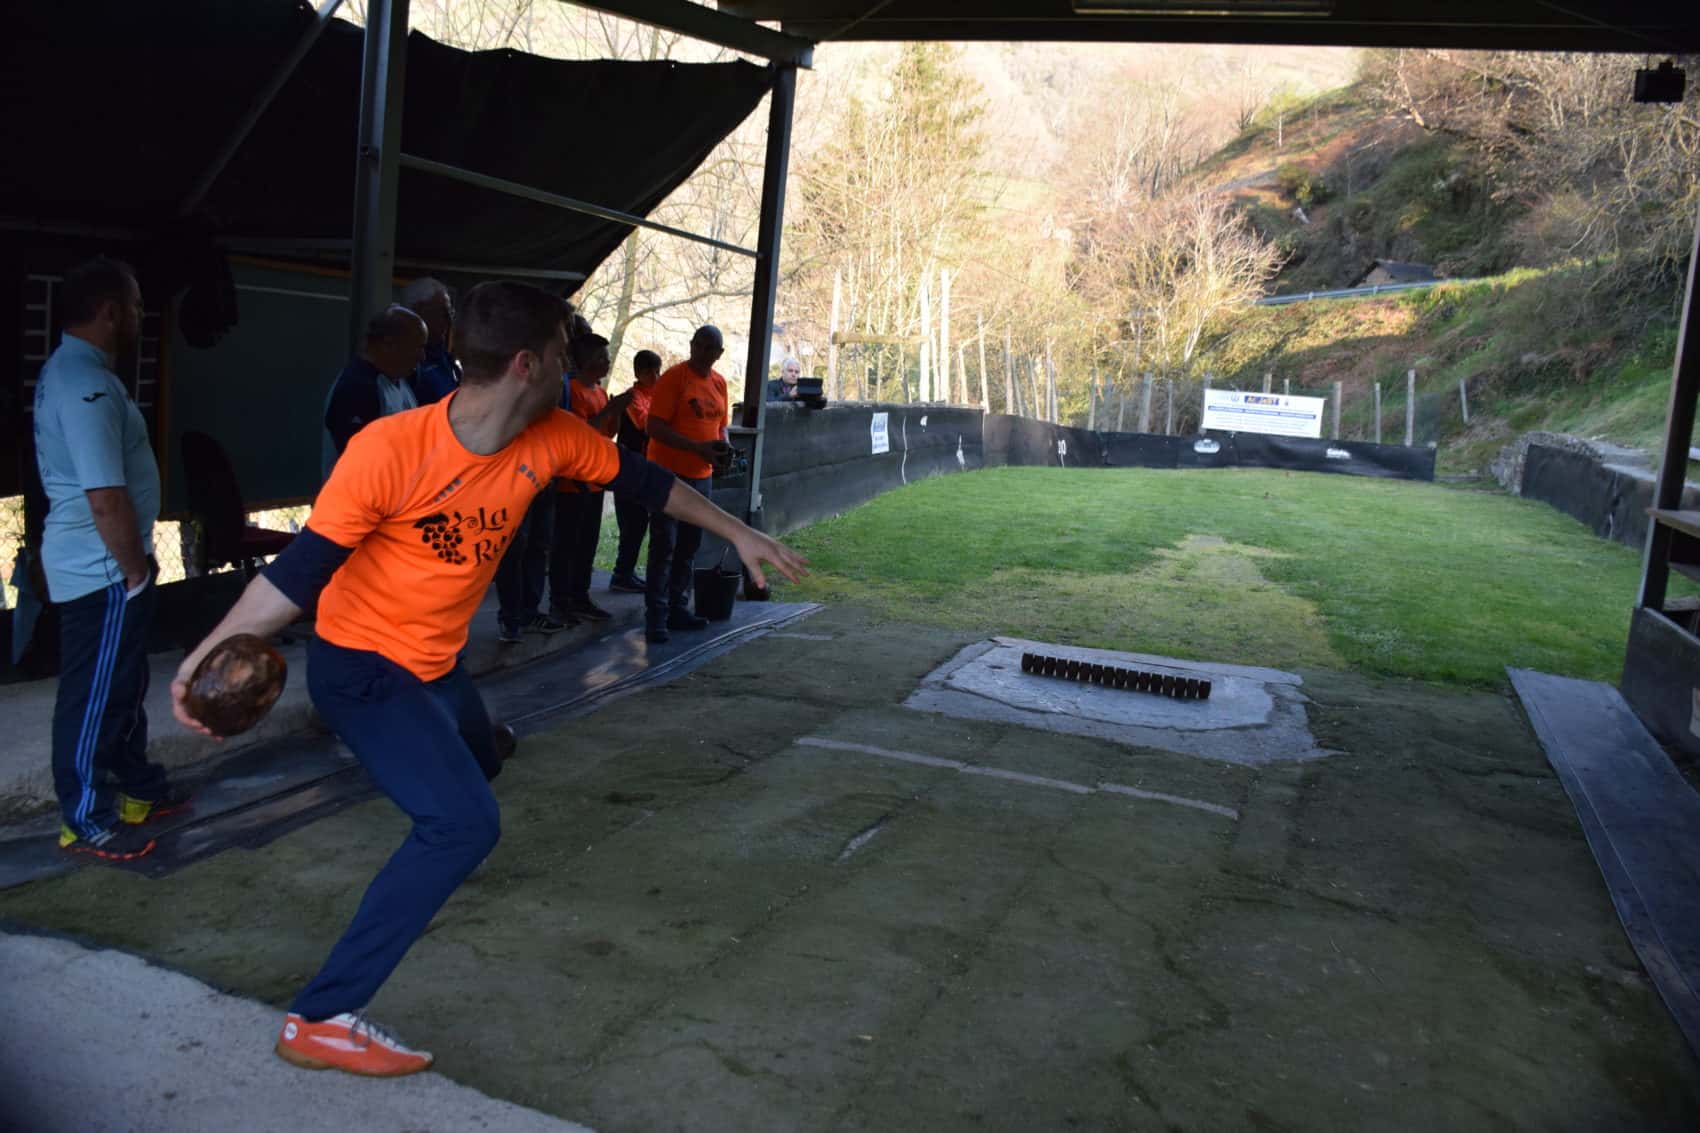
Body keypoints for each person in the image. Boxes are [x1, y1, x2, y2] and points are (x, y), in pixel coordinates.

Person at [171, 281, 806, 1078]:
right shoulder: (391, 449)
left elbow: (650, 485)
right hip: (363, 668)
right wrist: (210, 650)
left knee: (483, 761)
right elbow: (297, 575)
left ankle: (440, 775)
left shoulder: (553, 437)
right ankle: (322, 1014)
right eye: (567, 353)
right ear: (527, 363)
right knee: (464, 825)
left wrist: (739, 531)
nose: (577, 366)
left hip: (438, 668)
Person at [35, 257, 189, 860]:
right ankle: (85, 818)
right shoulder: (85, 385)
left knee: (122, 687)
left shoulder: (85, 371)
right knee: (94, 696)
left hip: (111, 567)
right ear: (109, 312)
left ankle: (138, 791)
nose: (141, 318)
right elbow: (104, 496)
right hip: (102, 570)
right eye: (137, 308)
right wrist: (131, 570)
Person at [645, 325, 733, 644]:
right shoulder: (674, 378)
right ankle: (656, 616)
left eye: (712, 348)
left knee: (689, 546)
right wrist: (696, 448)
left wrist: (724, 447)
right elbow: (653, 426)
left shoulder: (719, 383)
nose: (705, 352)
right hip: (668, 473)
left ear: (719, 354)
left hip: (702, 476)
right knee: (664, 544)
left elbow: (721, 426)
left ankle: (678, 610)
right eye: (701, 345)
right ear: (692, 344)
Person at [549, 333, 627, 623]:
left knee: (587, 545)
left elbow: (607, 433)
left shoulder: (600, 391)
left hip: (596, 480)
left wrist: (616, 412)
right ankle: (561, 601)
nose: (607, 363)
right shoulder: (572, 390)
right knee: (566, 545)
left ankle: (580, 597)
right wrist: (609, 411)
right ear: (587, 360)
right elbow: (579, 435)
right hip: (573, 482)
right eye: (602, 358)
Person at [321, 305, 427, 478]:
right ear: (388, 345)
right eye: (417, 347)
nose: (422, 357)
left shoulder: (400, 381)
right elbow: (362, 464)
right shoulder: (357, 388)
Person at [609, 350, 661, 592]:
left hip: (644, 467)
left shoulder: (655, 395)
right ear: (638, 372)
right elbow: (645, 424)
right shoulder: (632, 397)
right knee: (631, 523)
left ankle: (626, 573)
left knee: (639, 523)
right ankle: (621, 575)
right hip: (628, 467)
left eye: (657, 370)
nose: (655, 375)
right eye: (649, 371)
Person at [399, 277, 460, 405]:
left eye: (450, 312)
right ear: (417, 311)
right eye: (441, 312)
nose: (448, 320)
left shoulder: (445, 357)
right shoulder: (401, 362)